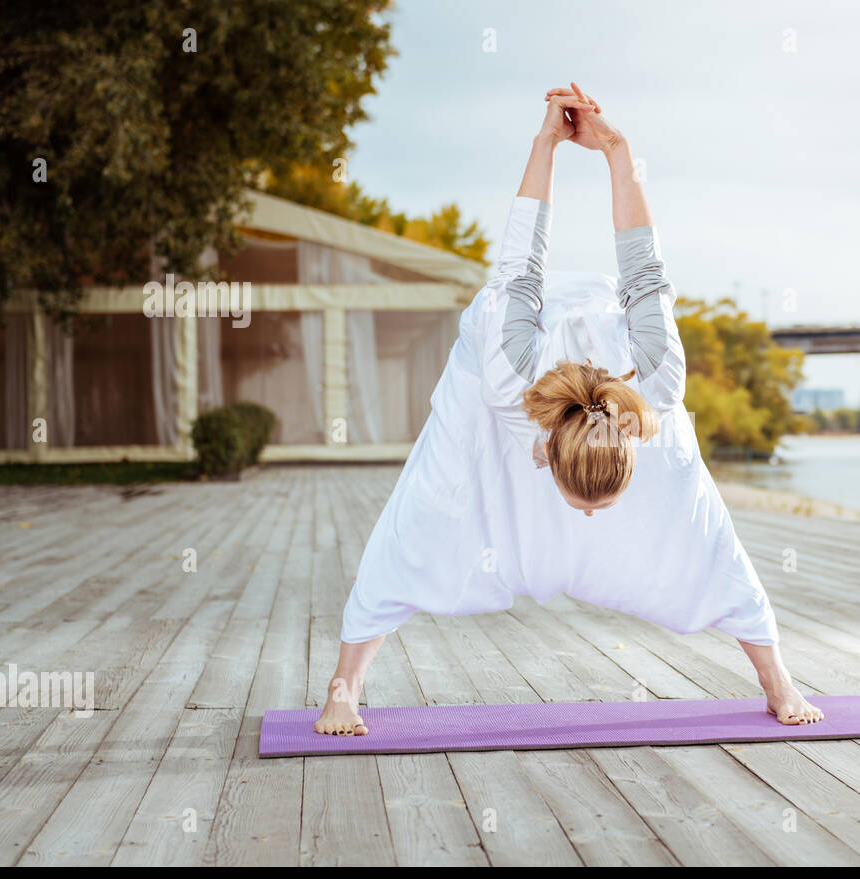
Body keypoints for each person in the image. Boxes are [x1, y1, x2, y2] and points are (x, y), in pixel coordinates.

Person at [315, 83, 824, 736]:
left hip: (603, 327)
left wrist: (616, 149)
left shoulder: (657, 381)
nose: (582, 516)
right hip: (509, 335)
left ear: (633, 444)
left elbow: (643, 268)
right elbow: (520, 265)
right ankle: (344, 686)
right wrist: (545, 144)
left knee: (701, 522)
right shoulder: (507, 380)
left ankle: (778, 680)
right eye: (585, 503)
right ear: (542, 448)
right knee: (424, 507)